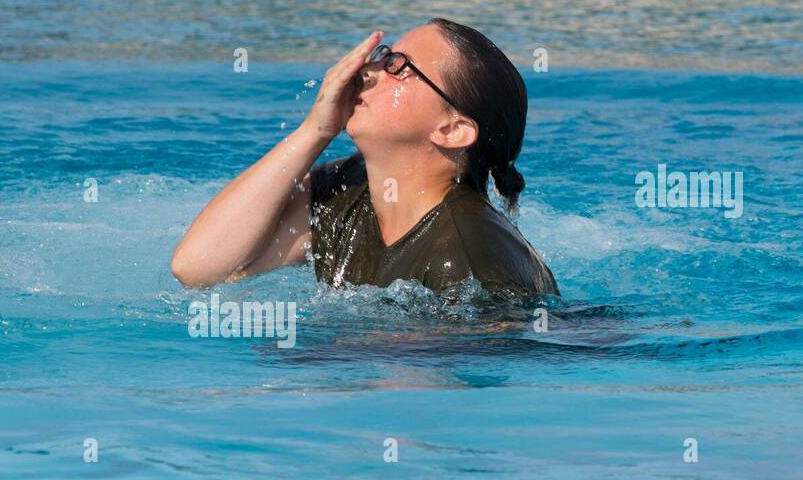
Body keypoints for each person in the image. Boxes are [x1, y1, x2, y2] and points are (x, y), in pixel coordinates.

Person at [171, 19, 558, 299]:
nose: (367, 71)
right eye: (383, 56)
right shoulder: (347, 190)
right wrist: (315, 131)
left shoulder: (467, 259)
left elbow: (470, 370)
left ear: (452, 130)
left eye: (399, 67)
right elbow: (199, 269)